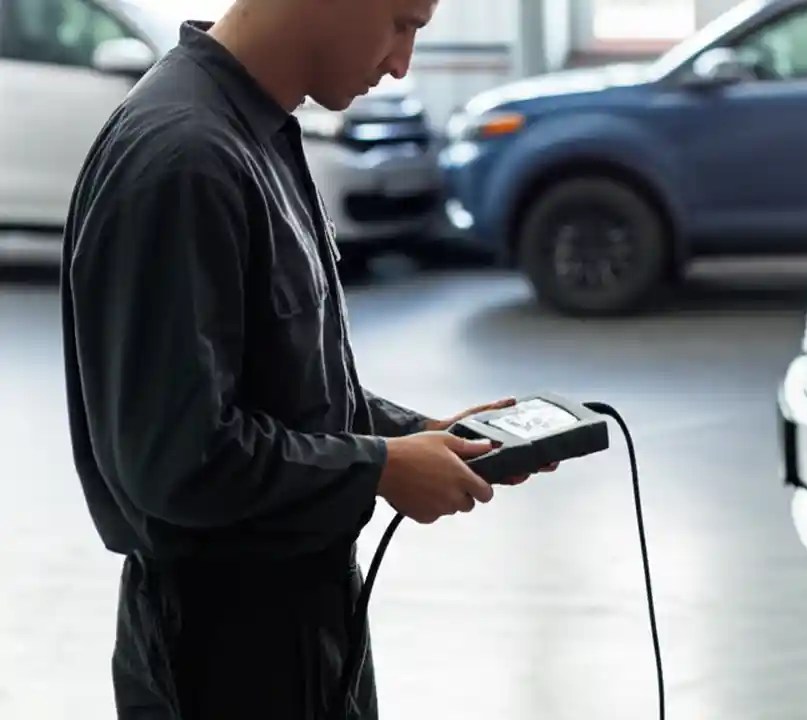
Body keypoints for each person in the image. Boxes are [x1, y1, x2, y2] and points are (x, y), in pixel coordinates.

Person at [59, 1, 549, 717]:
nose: (401, 61)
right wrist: (378, 468)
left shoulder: (256, 132)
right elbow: (177, 461)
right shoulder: (185, 158)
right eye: (402, 23)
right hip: (224, 653)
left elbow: (282, 387)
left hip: (301, 620)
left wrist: (413, 435)